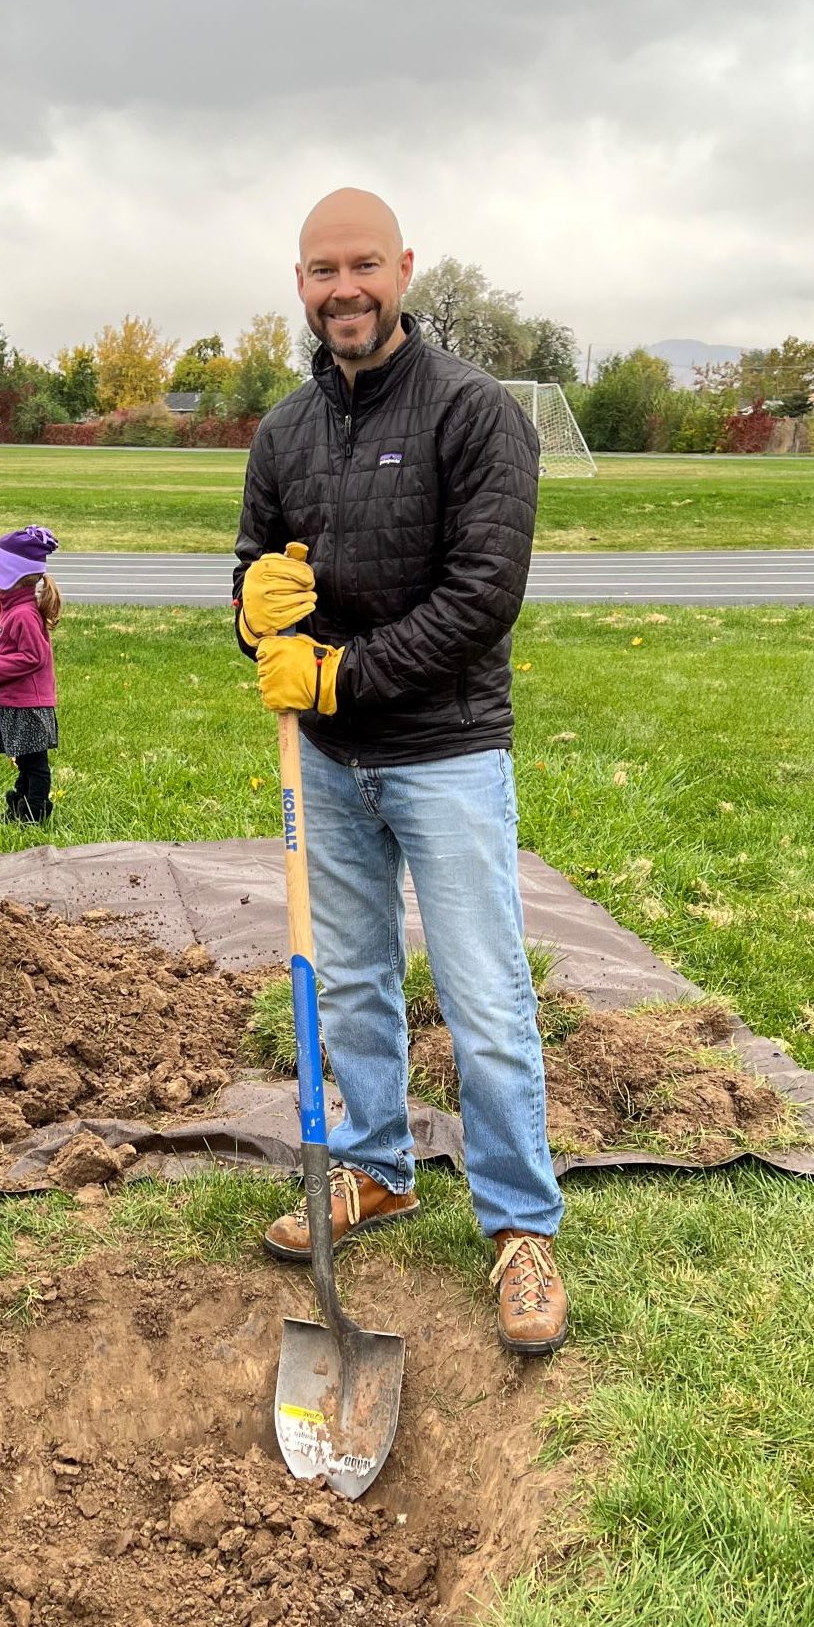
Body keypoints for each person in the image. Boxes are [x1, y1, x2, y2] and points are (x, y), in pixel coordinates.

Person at [233, 187, 567, 1354]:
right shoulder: (282, 434)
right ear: (301, 284)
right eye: (323, 271)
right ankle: (374, 1167)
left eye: (363, 265)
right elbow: (252, 585)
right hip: (328, 767)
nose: (344, 290)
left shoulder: (473, 416)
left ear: (406, 269)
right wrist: (253, 615)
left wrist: (343, 677)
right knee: (354, 979)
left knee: (482, 993)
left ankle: (522, 1225)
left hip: (448, 754)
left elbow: (482, 599)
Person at [0, 525, 61, 825]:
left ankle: (34, 812)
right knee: (24, 759)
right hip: (17, 701)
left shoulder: (23, 614)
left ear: (11, 575)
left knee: (34, 762)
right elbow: (5, 644)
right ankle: (20, 806)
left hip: (29, 705)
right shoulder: (14, 610)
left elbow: (33, 656)